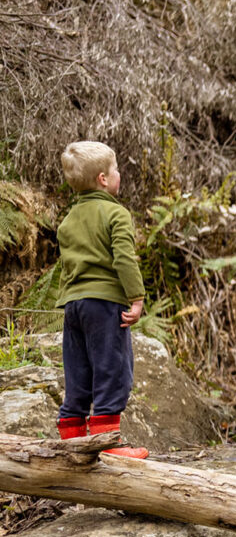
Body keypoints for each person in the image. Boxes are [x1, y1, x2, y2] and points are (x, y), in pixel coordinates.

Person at [53, 141, 149, 458]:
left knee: (77, 373)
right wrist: (136, 298)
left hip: (73, 307)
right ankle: (109, 444)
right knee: (112, 370)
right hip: (106, 305)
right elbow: (124, 260)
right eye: (116, 169)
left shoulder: (67, 222)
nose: (119, 174)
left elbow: (69, 266)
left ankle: (72, 441)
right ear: (103, 180)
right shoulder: (115, 214)